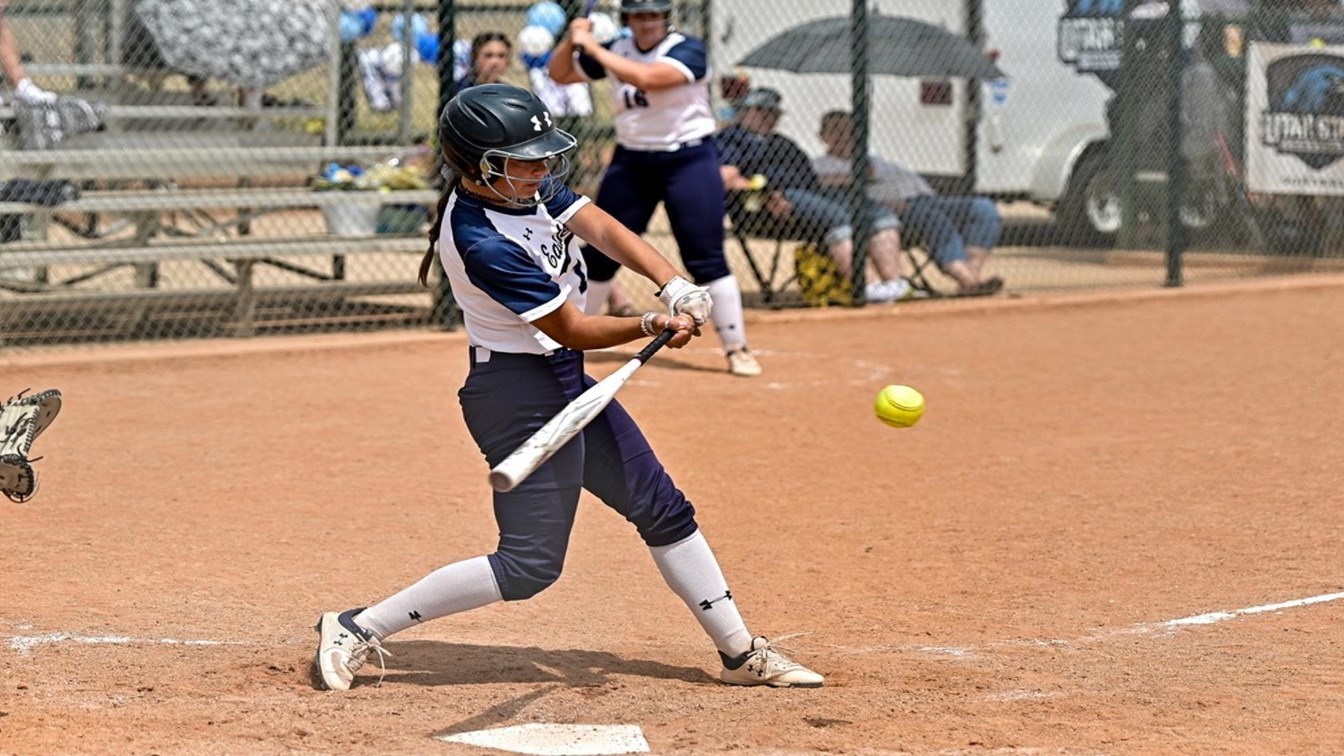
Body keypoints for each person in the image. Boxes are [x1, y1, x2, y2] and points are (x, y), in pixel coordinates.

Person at [314, 84, 823, 692]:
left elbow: (603, 228)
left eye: (540, 157)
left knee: (662, 507)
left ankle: (741, 653)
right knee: (529, 566)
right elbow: (574, 328)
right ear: (481, 166)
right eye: (524, 160)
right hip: (515, 397)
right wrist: (651, 323)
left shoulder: (523, 185)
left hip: (561, 380)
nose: (541, 169)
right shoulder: (481, 241)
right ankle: (355, 626)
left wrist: (672, 284)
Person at [546, 0, 763, 377]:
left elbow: (650, 79)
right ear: (627, 19)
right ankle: (573, 341)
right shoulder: (617, 48)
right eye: (638, 16)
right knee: (599, 252)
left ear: (666, 17)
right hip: (633, 161)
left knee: (705, 254)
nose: (646, 23)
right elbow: (560, 74)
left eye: (653, 15)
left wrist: (594, 48)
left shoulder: (688, 49)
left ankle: (737, 348)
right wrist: (573, 39)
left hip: (688, 160)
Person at [718, 88, 918, 303]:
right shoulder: (731, 139)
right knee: (837, 216)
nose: (768, 116)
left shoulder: (783, 143)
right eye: (760, 110)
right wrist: (765, 193)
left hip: (810, 196)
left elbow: (813, 179)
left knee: (877, 213)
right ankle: (868, 287)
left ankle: (894, 284)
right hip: (766, 207)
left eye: (773, 112)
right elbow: (726, 178)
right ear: (744, 112)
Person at [814, 110, 1004, 296]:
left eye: (851, 129)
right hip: (895, 211)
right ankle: (965, 278)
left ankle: (971, 276)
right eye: (836, 130)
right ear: (823, 136)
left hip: (927, 199)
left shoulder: (874, 158)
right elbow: (826, 189)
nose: (845, 135)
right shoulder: (821, 165)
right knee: (929, 215)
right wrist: (879, 198)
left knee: (983, 208)